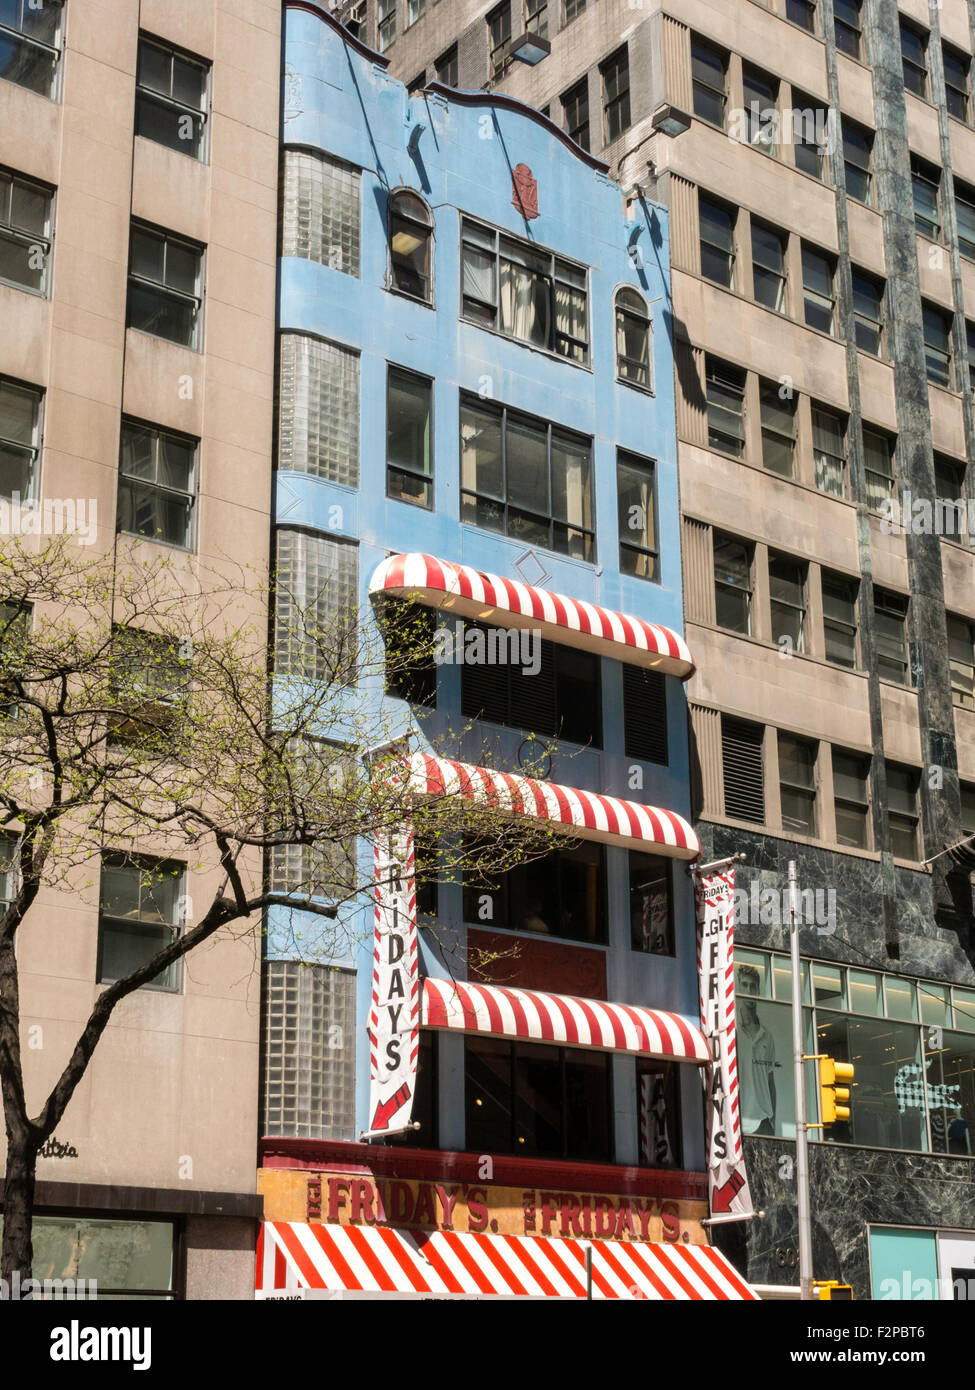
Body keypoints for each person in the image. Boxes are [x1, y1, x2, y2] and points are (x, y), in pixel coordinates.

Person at [736, 965, 777, 1136]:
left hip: (763, 1121)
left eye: (753, 986)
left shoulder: (767, 1037)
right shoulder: (731, 1032)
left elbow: (770, 1082)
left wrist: (773, 1120)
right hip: (737, 1121)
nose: (749, 990)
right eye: (744, 985)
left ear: (758, 990)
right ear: (738, 988)